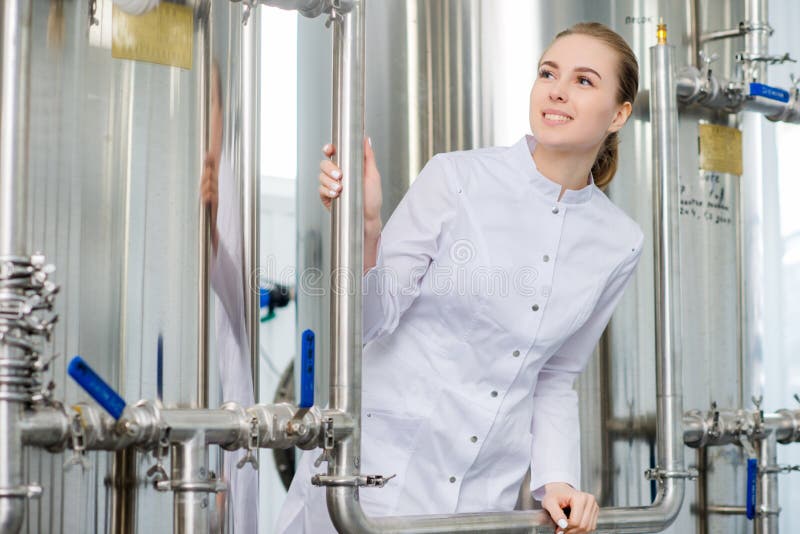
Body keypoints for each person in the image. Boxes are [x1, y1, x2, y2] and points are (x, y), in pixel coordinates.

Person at [276, 22, 641, 534]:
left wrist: (556, 481)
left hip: (485, 493)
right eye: (548, 73)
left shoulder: (619, 239)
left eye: (584, 81)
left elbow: (556, 375)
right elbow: (369, 324)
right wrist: (367, 227)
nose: (557, 89)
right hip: (377, 472)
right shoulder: (457, 178)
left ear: (619, 114)